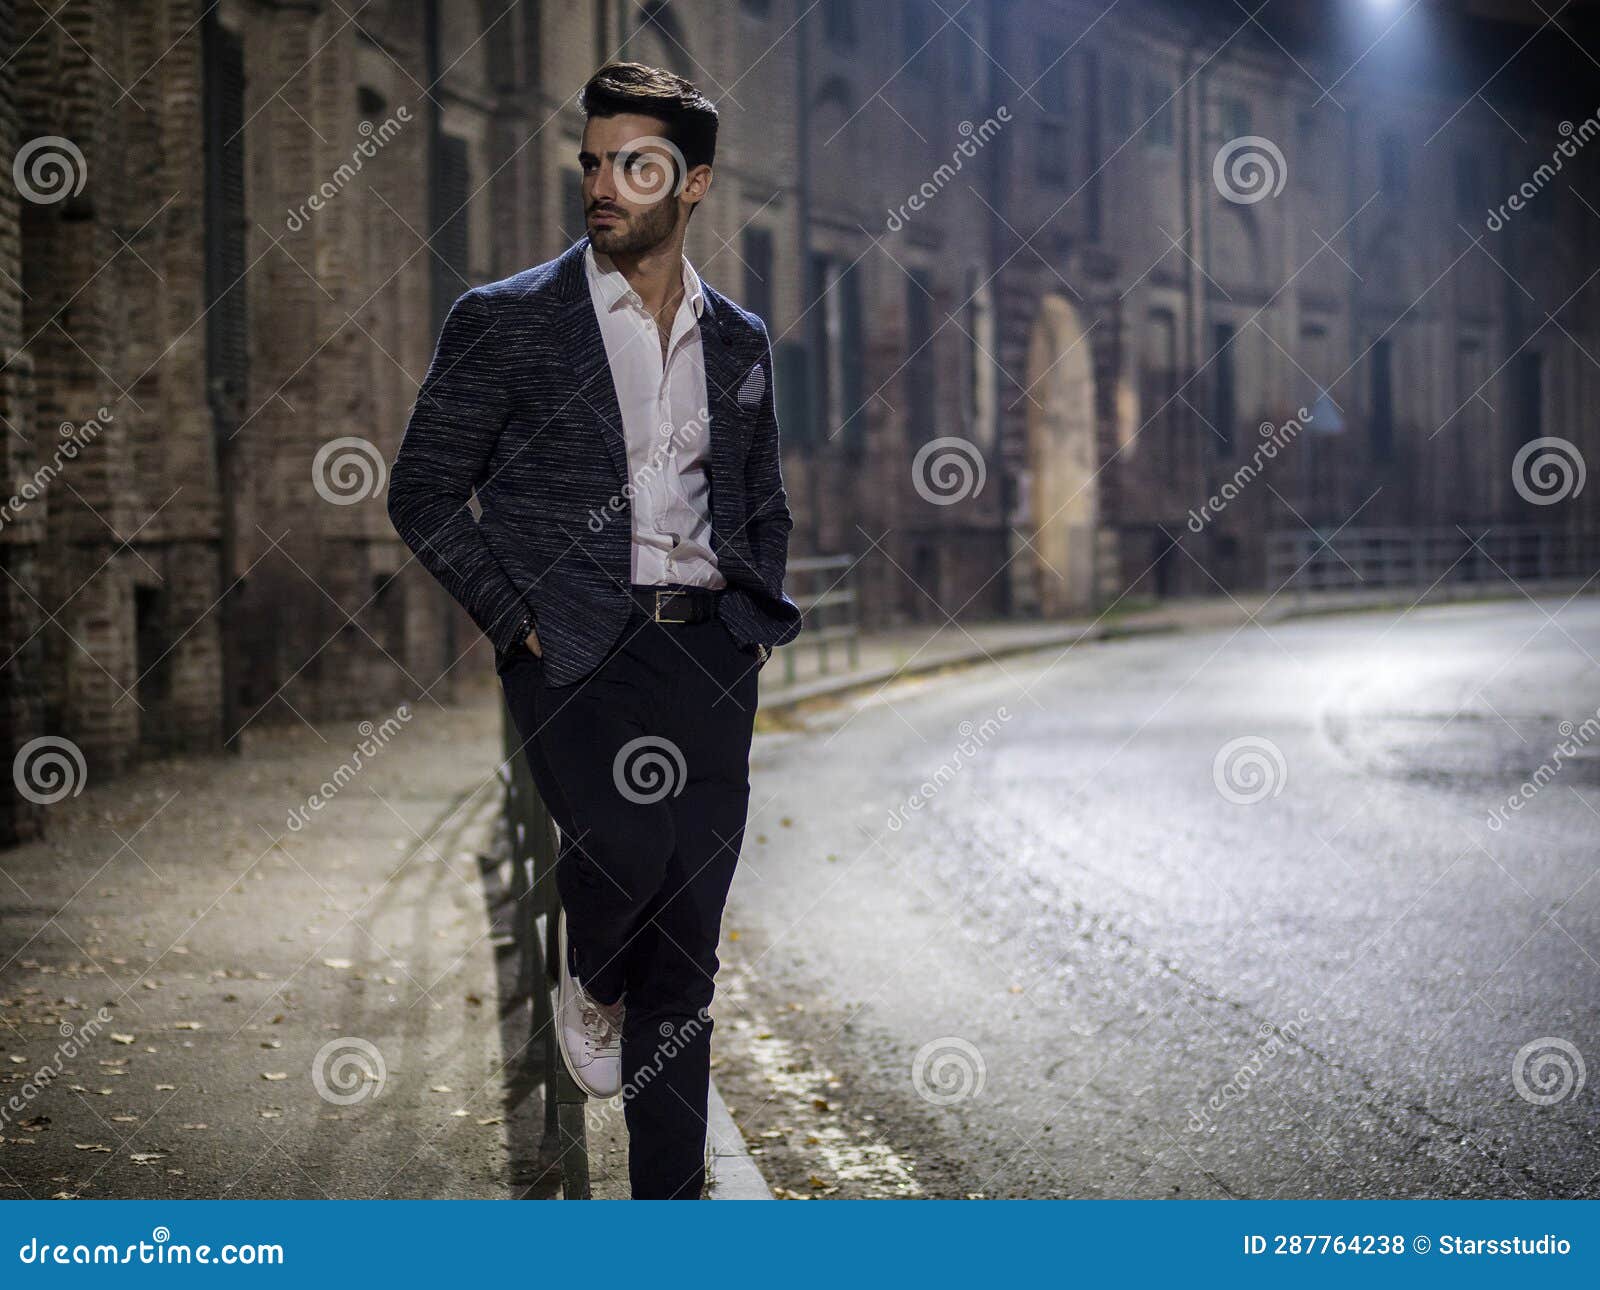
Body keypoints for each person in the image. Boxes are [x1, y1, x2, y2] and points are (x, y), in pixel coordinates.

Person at [387, 60, 801, 1199]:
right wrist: (517, 622)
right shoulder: (508, 321)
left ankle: (663, 1219)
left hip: (708, 652)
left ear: (694, 183)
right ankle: (591, 977)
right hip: (575, 649)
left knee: (690, 958)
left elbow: (760, 494)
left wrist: (748, 621)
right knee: (622, 851)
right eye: (592, 163)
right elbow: (421, 492)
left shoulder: (740, 339)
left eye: (635, 165)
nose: (603, 187)